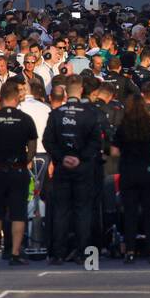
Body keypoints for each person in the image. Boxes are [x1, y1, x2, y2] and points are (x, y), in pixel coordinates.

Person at [43, 74, 103, 264]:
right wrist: (80, 158)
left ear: (66, 92)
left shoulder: (57, 113)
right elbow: (96, 142)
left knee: (61, 210)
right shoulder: (90, 113)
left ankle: (58, 253)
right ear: (82, 90)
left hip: (64, 166)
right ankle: (82, 252)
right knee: (82, 210)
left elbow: (47, 141)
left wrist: (62, 157)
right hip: (82, 167)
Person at [0, 81, 38, 266]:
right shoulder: (26, 119)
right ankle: (14, 252)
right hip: (17, 169)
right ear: (16, 98)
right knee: (18, 212)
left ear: (1, 97)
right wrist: (24, 160)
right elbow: (32, 147)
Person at [112, 93, 150, 263]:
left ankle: (130, 250)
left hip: (128, 171)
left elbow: (114, 152)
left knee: (130, 213)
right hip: (148, 171)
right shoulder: (149, 127)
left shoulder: (123, 127)